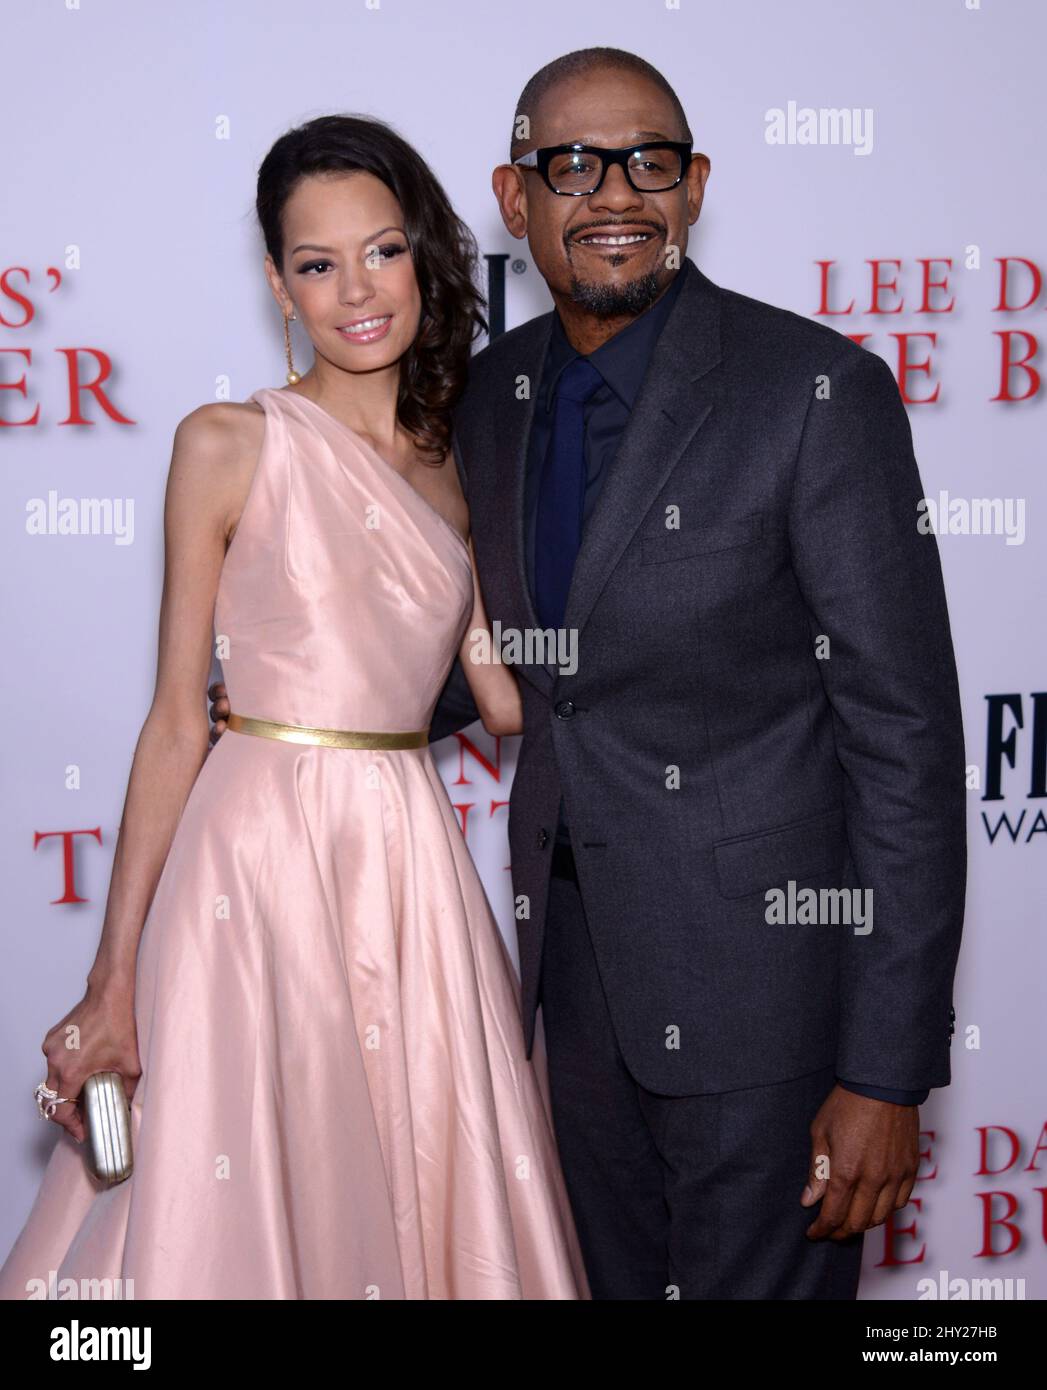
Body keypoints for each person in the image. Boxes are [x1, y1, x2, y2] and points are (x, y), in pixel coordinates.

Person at [212, 48, 967, 1301]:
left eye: (648, 161)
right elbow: (491, 658)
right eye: (571, 163)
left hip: (761, 1017)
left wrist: (886, 1071)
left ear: (695, 185)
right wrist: (289, 713)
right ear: (517, 202)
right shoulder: (490, 398)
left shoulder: (814, 392)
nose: (613, 191)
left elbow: (907, 745)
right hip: (559, 1005)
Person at [0, 114, 588, 1301]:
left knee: (416, 1175)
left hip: (409, 860)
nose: (356, 291)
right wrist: (113, 979)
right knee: (237, 1185)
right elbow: (176, 717)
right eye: (318, 264)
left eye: (382, 252)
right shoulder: (226, 443)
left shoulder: (461, 458)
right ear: (277, 281)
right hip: (253, 855)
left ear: (427, 257)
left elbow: (503, 699)